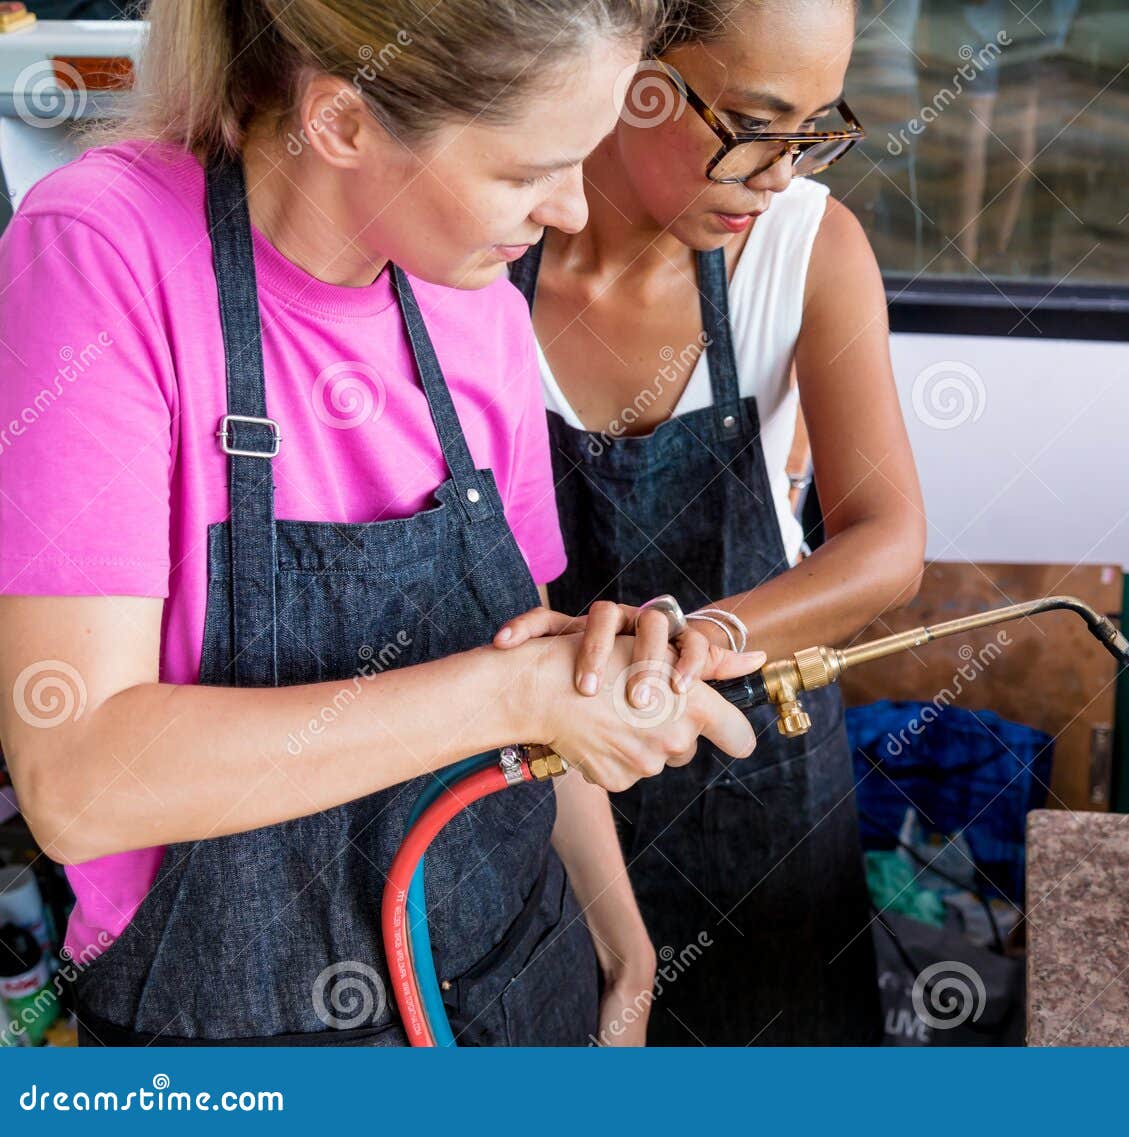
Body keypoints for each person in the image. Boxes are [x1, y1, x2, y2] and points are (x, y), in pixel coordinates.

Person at [0, 0, 762, 1046]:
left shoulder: (473, 289)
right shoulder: (103, 252)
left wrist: (623, 959)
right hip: (242, 1038)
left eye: (581, 162)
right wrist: (509, 693)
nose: (573, 213)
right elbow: (79, 781)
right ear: (343, 123)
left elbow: (538, 663)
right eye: (525, 170)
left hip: (519, 979)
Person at [497, 0, 927, 1044]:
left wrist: (714, 636)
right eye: (752, 124)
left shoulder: (805, 249)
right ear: (626, 72)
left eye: (814, 128)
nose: (780, 171)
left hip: (756, 785)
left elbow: (886, 543)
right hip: (534, 778)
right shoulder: (479, 257)